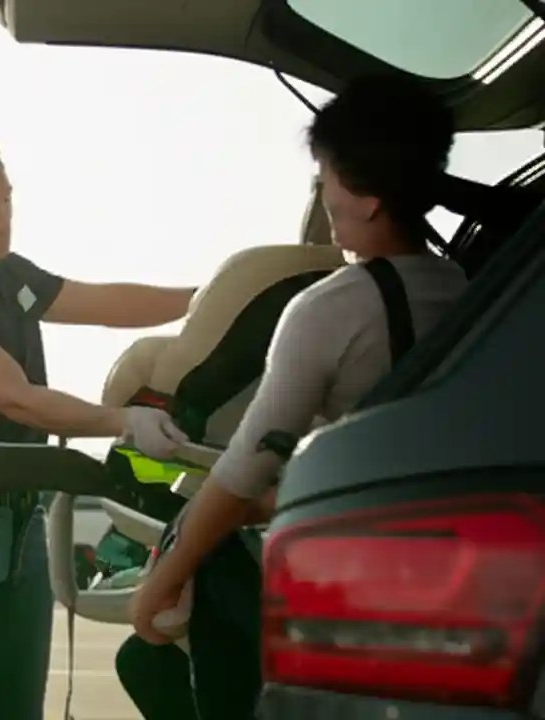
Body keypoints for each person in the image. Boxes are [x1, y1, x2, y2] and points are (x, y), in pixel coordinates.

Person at [129, 74, 470, 718]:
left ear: (367, 198)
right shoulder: (467, 288)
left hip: (360, 588)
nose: (324, 195)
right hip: (447, 573)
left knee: (171, 616)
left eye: (327, 179)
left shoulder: (328, 309)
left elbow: (242, 468)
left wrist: (162, 578)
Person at [0, 128, 198, 719]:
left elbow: (105, 303)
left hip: (22, 513)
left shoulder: (8, 275)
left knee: (17, 703)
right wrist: (120, 420)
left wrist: (214, 298)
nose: (2, 220)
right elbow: (19, 400)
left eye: (6, 201)